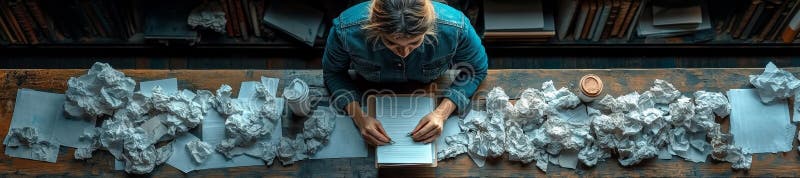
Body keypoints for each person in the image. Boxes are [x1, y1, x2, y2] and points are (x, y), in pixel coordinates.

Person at [323, 0, 488, 146]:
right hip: (368, 92)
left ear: (430, 26)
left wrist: (442, 113)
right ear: (374, 26)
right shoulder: (345, 31)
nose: (404, 53)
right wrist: (359, 117)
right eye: (390, 43)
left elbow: (476, 68)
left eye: (415, 42)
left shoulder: (456, 27)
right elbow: (333, 73)